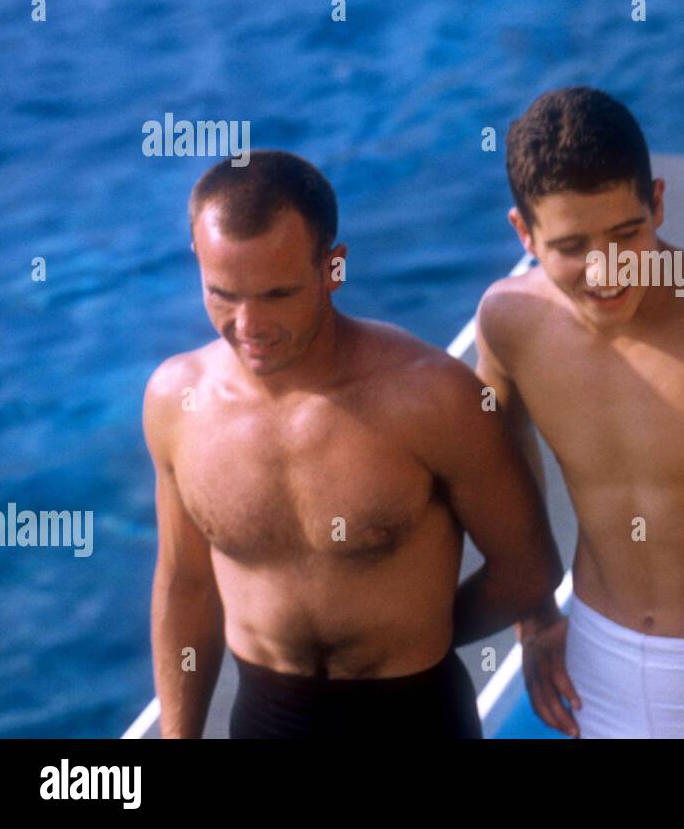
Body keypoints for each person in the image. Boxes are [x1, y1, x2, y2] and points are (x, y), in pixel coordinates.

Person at [145, 150, 560, 738]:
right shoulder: (175, 402)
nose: (249, 325)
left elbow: (528, 567)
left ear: (333, 268)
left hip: (415, 715)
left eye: (277, 294)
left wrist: (428, 630)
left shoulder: (432, 399)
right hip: (265, 718)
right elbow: (184, 584)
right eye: (223, 294)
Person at [476, 87, 684, 739]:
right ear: (524, 232)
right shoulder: (510, 324)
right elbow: (500, 478)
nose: (609, 268)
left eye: (627, 233)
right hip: (600, 663)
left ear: (657, 201)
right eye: (572, 245)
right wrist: (534, 616)